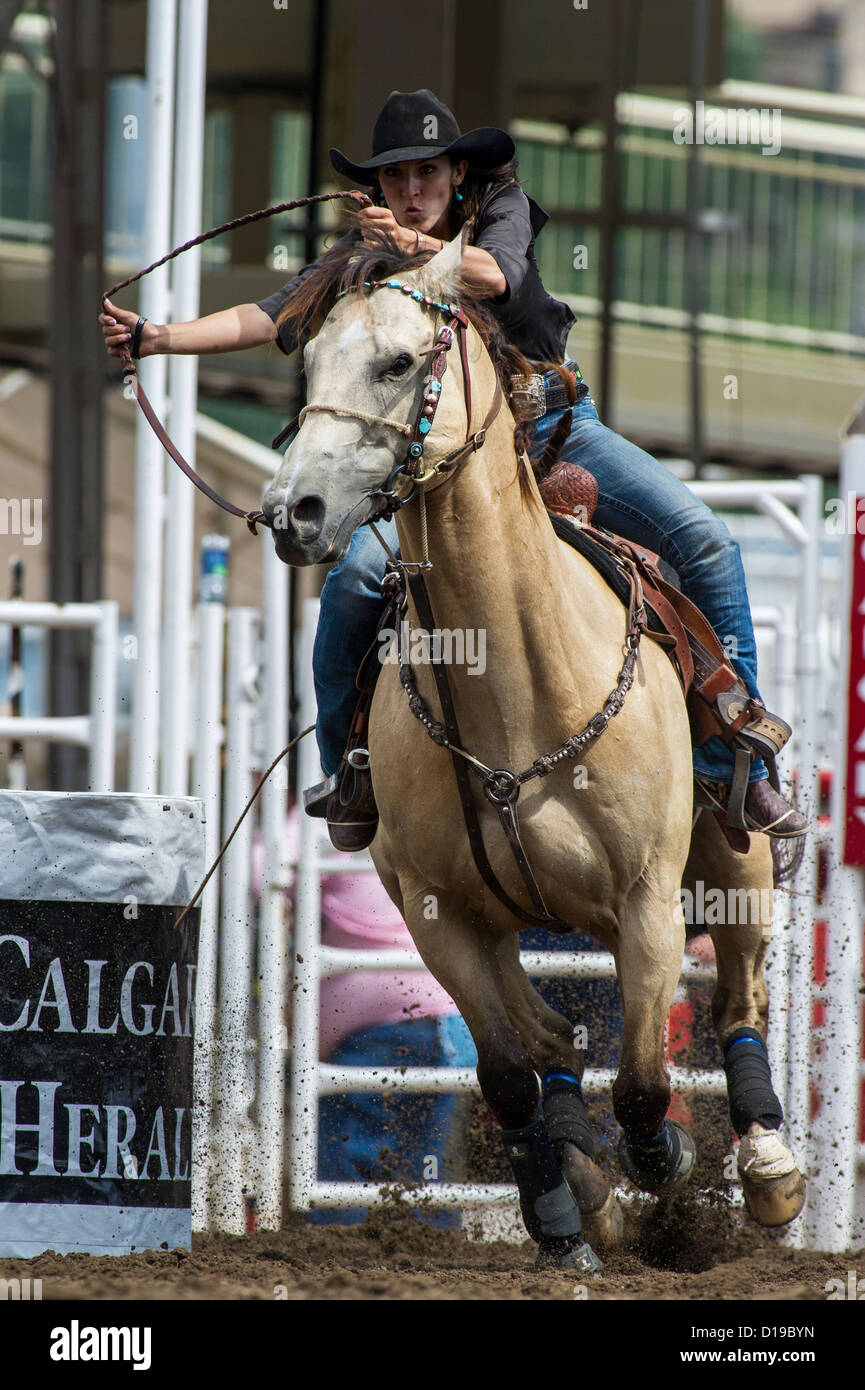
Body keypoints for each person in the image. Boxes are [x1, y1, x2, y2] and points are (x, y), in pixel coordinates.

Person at [100, 88, 807, 851]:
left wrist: (407, 250)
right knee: (355, 582)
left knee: (705, 541)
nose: (411, 192)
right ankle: (349, 767)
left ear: (458, 173)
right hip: (433, 473)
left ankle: (734, 761)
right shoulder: (357, 261)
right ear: (376, 185)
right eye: (395, 177)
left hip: (553, 433)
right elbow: (272, 315)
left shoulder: (500, 214)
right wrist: (158, 336)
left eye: (426, 173)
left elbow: (495, 277)